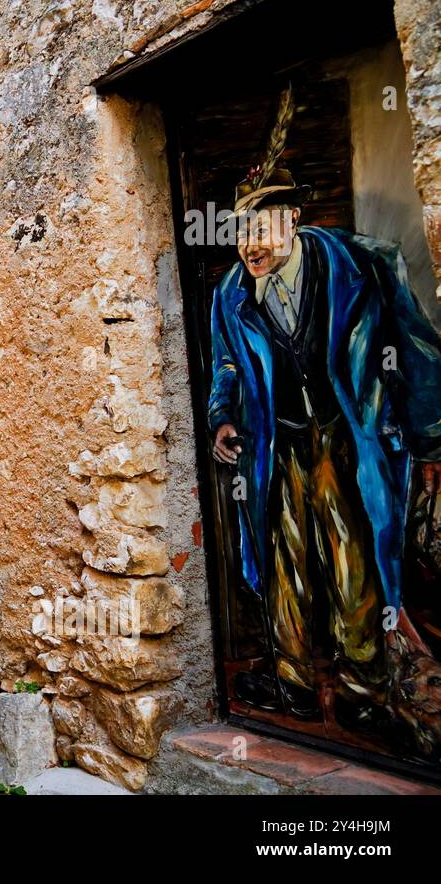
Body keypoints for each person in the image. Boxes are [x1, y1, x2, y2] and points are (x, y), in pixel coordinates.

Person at [208, 166, 441, 729]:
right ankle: (294, 681)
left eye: (259, 227)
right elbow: (228, 366)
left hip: (348, 434)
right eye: (239, 230)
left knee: (351, 557)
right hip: (277, 441)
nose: (249, 245)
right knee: (283, 559)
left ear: (292, 218)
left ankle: (362, 688)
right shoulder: (231, 294)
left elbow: (414, 348)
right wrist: (221, 417)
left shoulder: (363, 263)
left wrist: (431, 438)